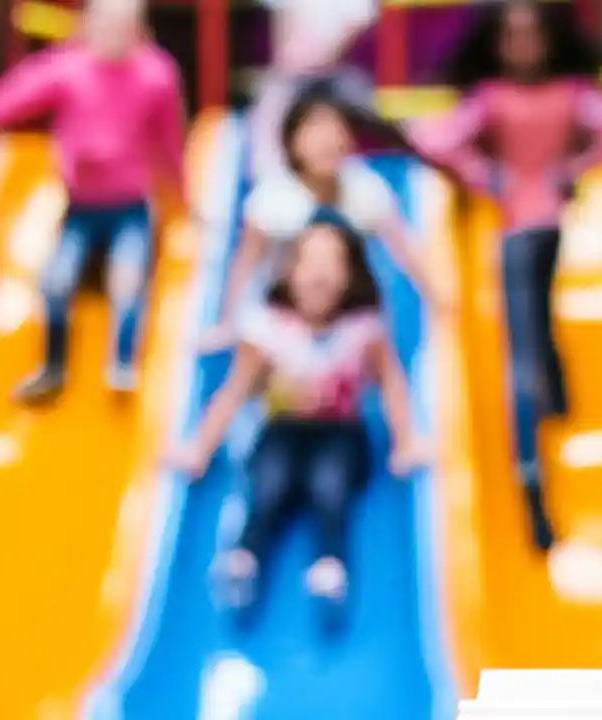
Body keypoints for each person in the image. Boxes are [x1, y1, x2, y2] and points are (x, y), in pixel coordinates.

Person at [412, 0, 602, 550]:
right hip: (521, 228)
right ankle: (532, 471)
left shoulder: (568, 97)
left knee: (531, 335)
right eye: (512, 35)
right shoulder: (493, 101)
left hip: (538, 225)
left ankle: (550, 409)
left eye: (532, 34)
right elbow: (437, 140)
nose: (523, 46)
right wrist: (485, 175)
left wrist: (574, 168)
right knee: (526, 343)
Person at [0, 0, 188, 401]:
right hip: (81, 207)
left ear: (138, 31)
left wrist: (181, 199)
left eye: (121, 27)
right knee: (55, 281)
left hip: (130, 207)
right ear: (87, 25)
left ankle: (122, 363)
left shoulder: (156, 76)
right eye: (102, 25)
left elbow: (169, 144)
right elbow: (6, 102)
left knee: (129, 280)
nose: (110, 36)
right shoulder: (69, 70)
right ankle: (52, 367)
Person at [170, 212, 426, 608]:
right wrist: (198, 449)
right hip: (282, 429)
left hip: (341, 433)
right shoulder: (269, 328)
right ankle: (246, 554)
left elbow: (392, 382)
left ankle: (330, 561)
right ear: (288, 270)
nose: (320, 276)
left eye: (333, 263)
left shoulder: (363, 329)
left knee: (331, 484)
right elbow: (235, 391)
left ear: (352, 273)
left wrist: (406, 441)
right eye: (309, 262)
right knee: (269, 481)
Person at [206, 87, 441, 350]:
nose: (328, 143)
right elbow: (246, 263)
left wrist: (439, 301)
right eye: (315, 133)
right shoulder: (273, 199)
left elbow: (406, 250)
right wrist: (227, 323)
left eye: (336, 132)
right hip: (286, 322)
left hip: (349, 321)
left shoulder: (365, 189)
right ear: (292, 143)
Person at [249, 0, 379, 180]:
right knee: (269, 110)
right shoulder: (278, 96)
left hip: (338, 73)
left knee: (372, 111)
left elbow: (354, 29)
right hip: (290, 75)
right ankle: (268, 175)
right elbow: (283, 29)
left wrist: (318, 58)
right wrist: (294, 61)